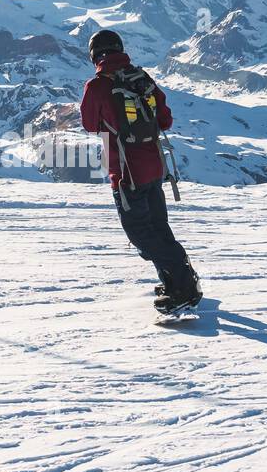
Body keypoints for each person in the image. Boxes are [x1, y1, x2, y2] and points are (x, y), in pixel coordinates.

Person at [79, 28, 201, 314]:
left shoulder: (97, 86)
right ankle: (176, 281)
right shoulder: (142, 78)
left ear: (95, 55)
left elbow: (88, 124)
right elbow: (165, 120)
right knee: (158, 228)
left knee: (141, 234)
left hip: (125, 174)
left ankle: (183, 285)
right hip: (154, 168)